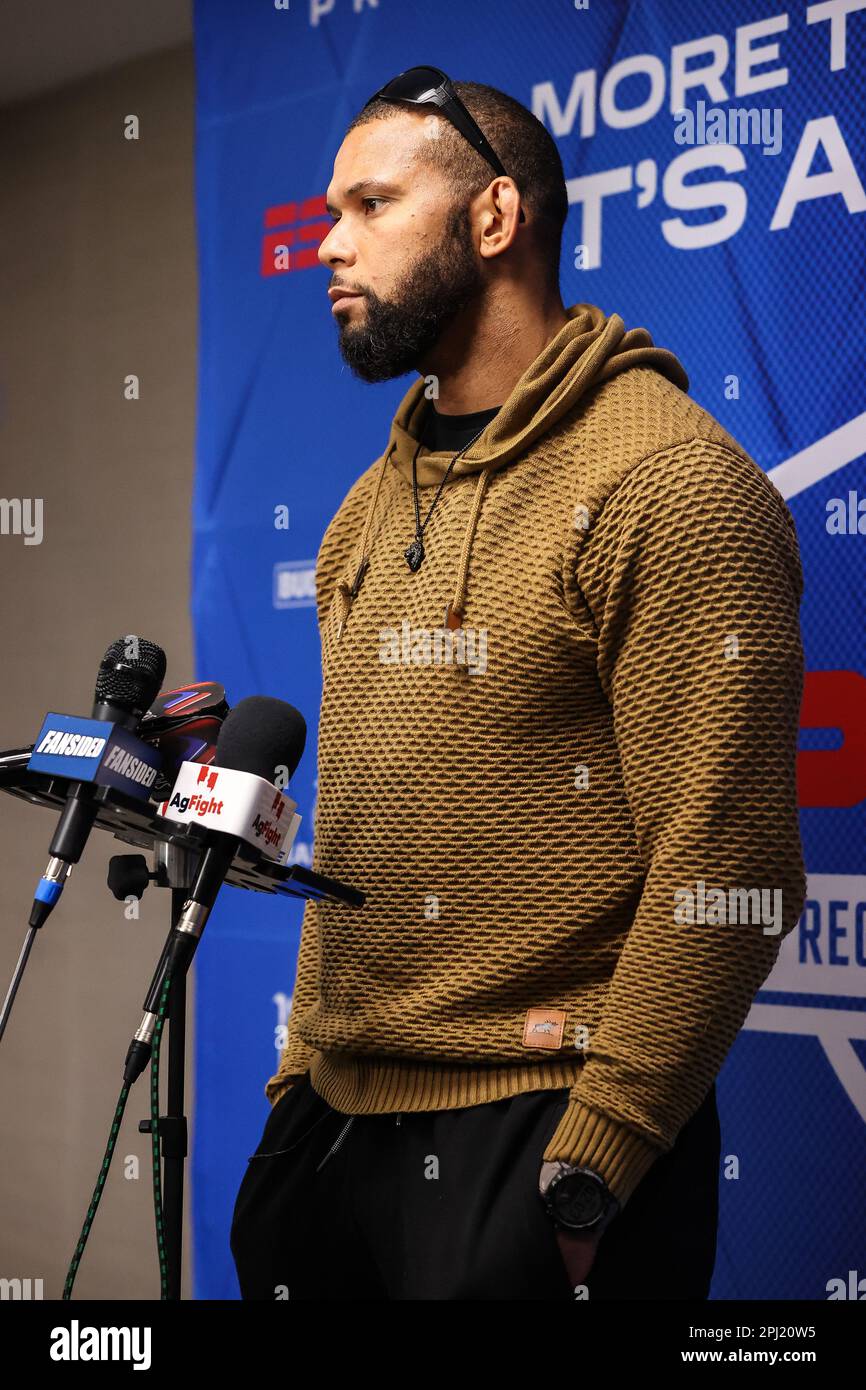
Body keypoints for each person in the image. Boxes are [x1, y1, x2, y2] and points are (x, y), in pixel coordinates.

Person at [230, 67, 806, 1301]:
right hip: (331, 1127)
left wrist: (591, 1168)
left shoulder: (671, 487)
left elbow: (730, 864)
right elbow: (367, 831)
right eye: (330, 213)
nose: (326, 247)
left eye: (369, 205)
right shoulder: (362, 511)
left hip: (537, 1143)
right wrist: (298, 1080)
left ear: (492, 222)